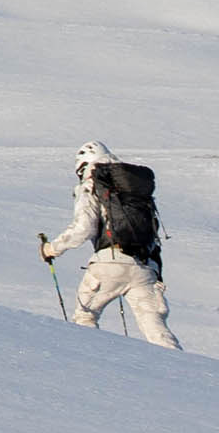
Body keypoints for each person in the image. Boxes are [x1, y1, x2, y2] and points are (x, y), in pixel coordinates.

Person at [39, 143, 176, 346]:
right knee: (157, 330)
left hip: (109, 263)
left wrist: (51, 249)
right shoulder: (133, 188)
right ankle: (182, 372)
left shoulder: (93, 183)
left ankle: (94, 366)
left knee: (85, 317)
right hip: (144, 267)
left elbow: (83, 228)